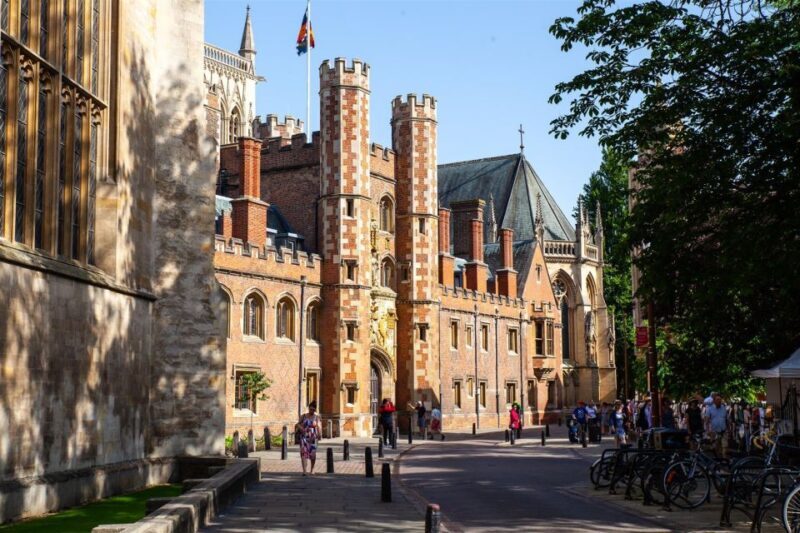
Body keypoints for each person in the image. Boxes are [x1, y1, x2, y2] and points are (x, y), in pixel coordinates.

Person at [295, 401, 321, 476]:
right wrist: (301, 428)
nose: (311, 411)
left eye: (313, 410)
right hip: (303, 437)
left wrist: (319, 434)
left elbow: (319, 426)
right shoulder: (303, 416)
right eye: (310, 409)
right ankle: (304, 471)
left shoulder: (316, 417)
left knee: (313, 454)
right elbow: (297, 424)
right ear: (308, 408)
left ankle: (312, 469)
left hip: (313, 438)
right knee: (303, 453)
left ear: (315, 410)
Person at [705, 393, 729, 458]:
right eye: (717, 400)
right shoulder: (709, 409)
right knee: (716, 447)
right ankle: (719, 460)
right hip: (715, 432)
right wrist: (708, 431)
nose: (719, 401)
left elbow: (727, 419)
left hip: (724, 430)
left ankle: (724, 459)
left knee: (725, 446)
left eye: (720, 400)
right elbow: (706, 421)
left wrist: (728, 429)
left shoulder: (724, 408)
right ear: (714, 401)